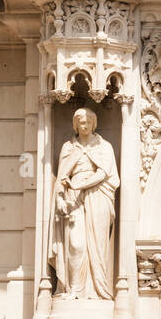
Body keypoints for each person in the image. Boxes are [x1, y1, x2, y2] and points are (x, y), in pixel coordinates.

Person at [49, 108, 119, 301]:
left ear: (94, 124)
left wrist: (79, 184)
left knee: (97, 246)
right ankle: (74, 290)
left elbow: (103, 173)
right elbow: (61, 177)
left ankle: (97, 291)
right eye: (81, 123)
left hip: (98, 197)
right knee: (76, 244)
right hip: (73, 199)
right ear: (75, 125)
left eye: (88, 122)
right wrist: (60, 199)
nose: (85, 125)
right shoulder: (69, 148)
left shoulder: (104, 146)